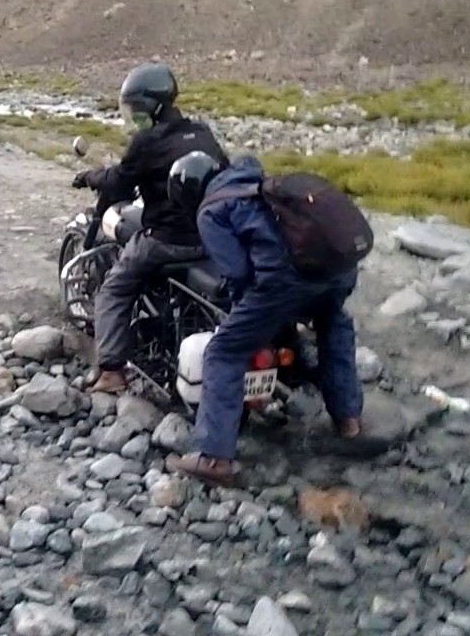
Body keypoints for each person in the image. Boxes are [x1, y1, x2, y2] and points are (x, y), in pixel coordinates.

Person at [163, 151, 365, 485]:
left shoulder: (211, 209)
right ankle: (348, 420)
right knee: (333, 324)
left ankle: (214, 458)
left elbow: (239, 273)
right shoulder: (258, 185)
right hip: (339, 272)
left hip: (286, 283)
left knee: (224, 351)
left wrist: (247, 320)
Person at [71, 63, 228, 394]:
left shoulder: (148, 141)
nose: (135, 116)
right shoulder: (201, 133)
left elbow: (120, 182)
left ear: (153, 106)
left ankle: (112, 371)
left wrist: (91, 176)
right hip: (211, 237)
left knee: (114, 289)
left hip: (169, 241)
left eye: (137, 109)